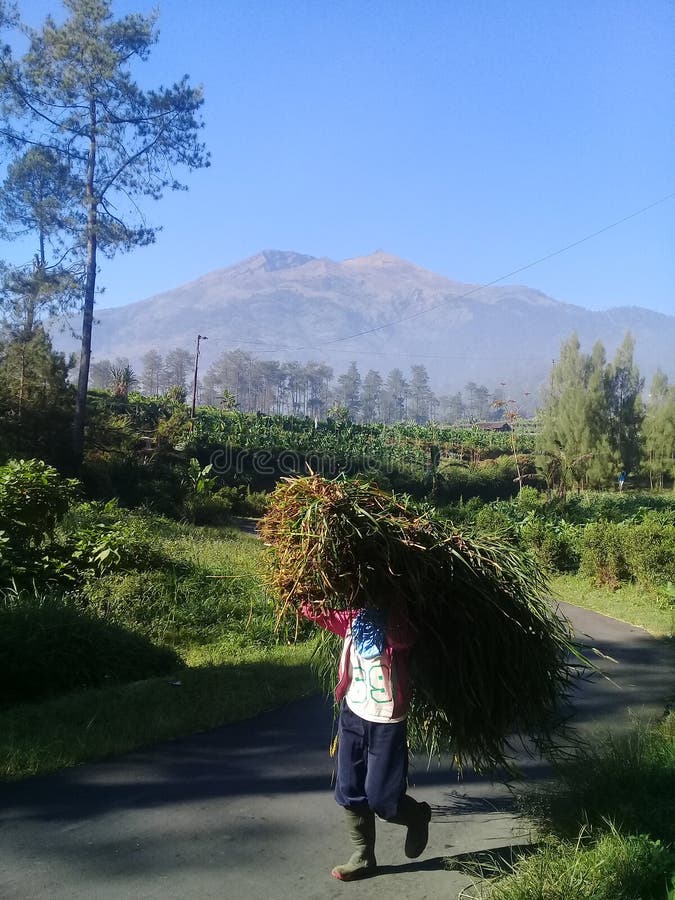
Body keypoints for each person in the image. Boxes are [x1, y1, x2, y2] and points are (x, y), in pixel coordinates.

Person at [301, 600, 431, 882]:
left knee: (384, 799)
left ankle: (417, 816)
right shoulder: (352, 618)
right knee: (349, 787)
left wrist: (389, 607)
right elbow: (325, 615)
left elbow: (404, 638)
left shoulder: (401, 623)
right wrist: (305, 598)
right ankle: (363, 856)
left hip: (386, 721)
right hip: (353, 714)